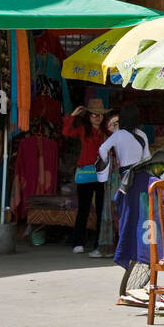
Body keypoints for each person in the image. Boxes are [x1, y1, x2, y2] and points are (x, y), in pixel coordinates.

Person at [93, 104, 150, 257]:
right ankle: (137, 247)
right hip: (141, 176)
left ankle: (123, 248)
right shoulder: (142, 135)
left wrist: (109, 162)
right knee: (138, 212)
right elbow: (147, 158)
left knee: (124, 213)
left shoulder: (118, 135)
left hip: (124, 177)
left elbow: (102, 149)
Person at [64, 98, 109, 254]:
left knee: (100, 210)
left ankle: (99, 243)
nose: (97, 117)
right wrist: (73, 115)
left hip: (102, 175)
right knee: (83, 209)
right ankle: (78, 242)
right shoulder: (84, 129)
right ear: (88, 116)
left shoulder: (106, 132)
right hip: (85, 174)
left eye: (100, 115)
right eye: (94, 115)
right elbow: (66, 132)